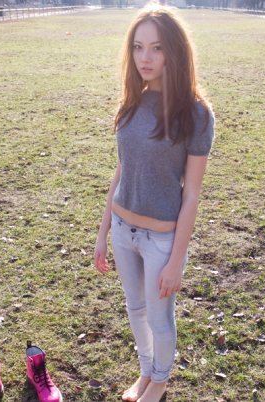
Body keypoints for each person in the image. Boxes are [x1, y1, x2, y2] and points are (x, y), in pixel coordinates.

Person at [94, 5, 215, 402]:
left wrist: (177, 259)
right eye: (138, 46)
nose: (145, 57)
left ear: (174, 52)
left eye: (157, 48)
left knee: (160, 319)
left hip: (161, 239)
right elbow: (121, 170)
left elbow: (192, 194)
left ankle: (159, 382)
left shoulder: (196, 114)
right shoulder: (131, 102)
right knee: (135, 310)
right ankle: (146, 372)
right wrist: (102, 232)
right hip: (122, 231)